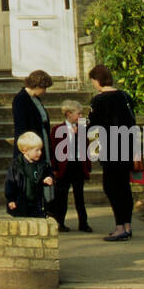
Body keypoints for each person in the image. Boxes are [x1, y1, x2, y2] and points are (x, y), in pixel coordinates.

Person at [87, 64, 138, 241]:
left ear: (97, 80)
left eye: (93, 80)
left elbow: (92, 126)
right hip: (127, 145)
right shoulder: (125, 96)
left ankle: (119, 227)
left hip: (110, 147)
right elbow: (132, 122)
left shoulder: (98, 101)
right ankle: (128, 225)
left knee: (111, 187)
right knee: (124, 187)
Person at [48, 99, 92, 232]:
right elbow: (53, 150)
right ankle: (59, 222)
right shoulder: (58, 129)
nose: (80, 117)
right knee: (61, 197)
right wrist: (54, 168)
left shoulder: (82, 129)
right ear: (68, 114)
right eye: (78, 114)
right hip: (64, 167)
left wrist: (88, 165)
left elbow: (86, 148)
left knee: (80, 197)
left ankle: (83, 223)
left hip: (78, 165)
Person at [5, 131, 54, 218]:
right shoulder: (16, 165)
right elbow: (10, 183)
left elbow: (48, 172)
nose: (40, 153)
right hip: (20, 203)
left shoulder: (42, 165)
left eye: (40, 149)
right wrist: (11, 199)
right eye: (37, 150)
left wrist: (48, 178)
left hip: (37, 203)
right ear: (25, 151)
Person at [12, 69, 54, 158]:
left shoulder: (36, 99)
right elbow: (22, 126)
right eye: (44, 88)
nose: (45, 91)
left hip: (40, 140)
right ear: (37, 86)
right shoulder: (21, 99)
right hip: (30, 145)